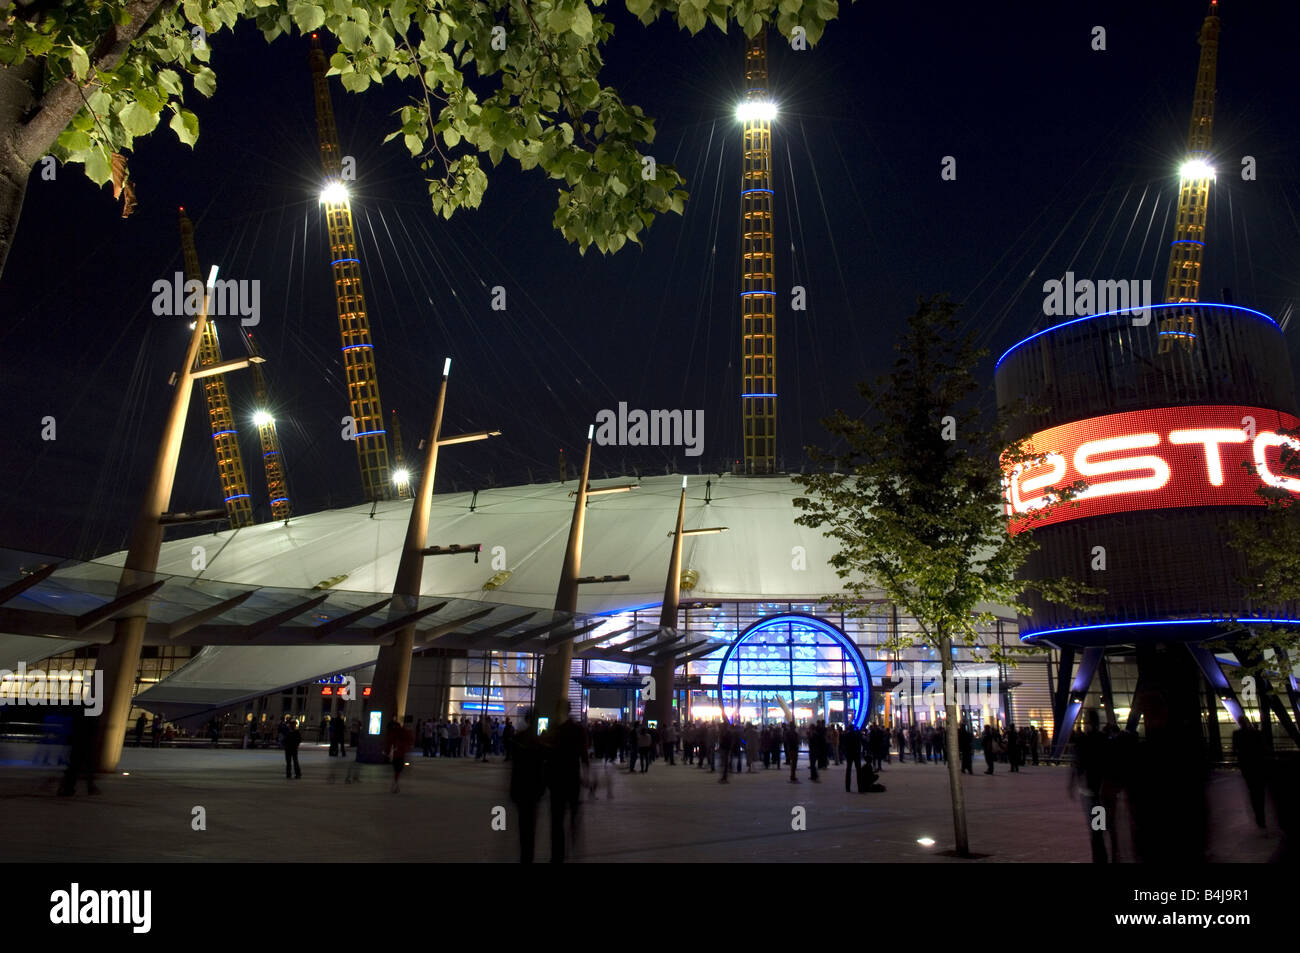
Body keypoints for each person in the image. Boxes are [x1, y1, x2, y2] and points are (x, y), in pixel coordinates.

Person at [546, 702, 587, 862]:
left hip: (557, 781)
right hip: (572, 779)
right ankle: (573, 852)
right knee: (573, 820)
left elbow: (548, 755)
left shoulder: (555, 731)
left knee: (557, 821)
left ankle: (558, 856)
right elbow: (583, 755)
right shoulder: (577, 730)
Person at [509, 711, 547, 862]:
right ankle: (528, 856)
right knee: (530, 827)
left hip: (520, 788)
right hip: (533, 790)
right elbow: (541, 768)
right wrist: (542, 789)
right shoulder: (538, 742)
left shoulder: (518, 739)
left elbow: (515, 766)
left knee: (523, 826)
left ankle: (524, 856)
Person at [1232, 721, 1268, 829]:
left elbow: (1235, 749)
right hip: (1258, 765)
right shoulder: (1256, 734)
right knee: (1260, 791)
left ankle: (1259, 817)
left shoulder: (1237, 734)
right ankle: (1261, 817)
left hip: (1246, 765)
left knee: (1252, 790)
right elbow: (1263, 748)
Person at [386, 718, 413, 793]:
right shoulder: (404, 732)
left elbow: (389, 743)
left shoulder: (394, 733)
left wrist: (387, 752)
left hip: (396, 754)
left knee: (396, 770)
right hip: (401, 754)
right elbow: (410, 741)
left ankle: (395, 785)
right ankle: (395, 785)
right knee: (398, 771)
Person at [842, 724, 863, 792]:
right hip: (856, 753)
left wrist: (846, 752)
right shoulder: (857, 734)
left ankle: (847, 787)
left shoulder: (847, 735)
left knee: (848, 770)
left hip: (849, 754)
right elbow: (860, 741)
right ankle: (860, 787)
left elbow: (844, 744)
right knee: (858, 771)